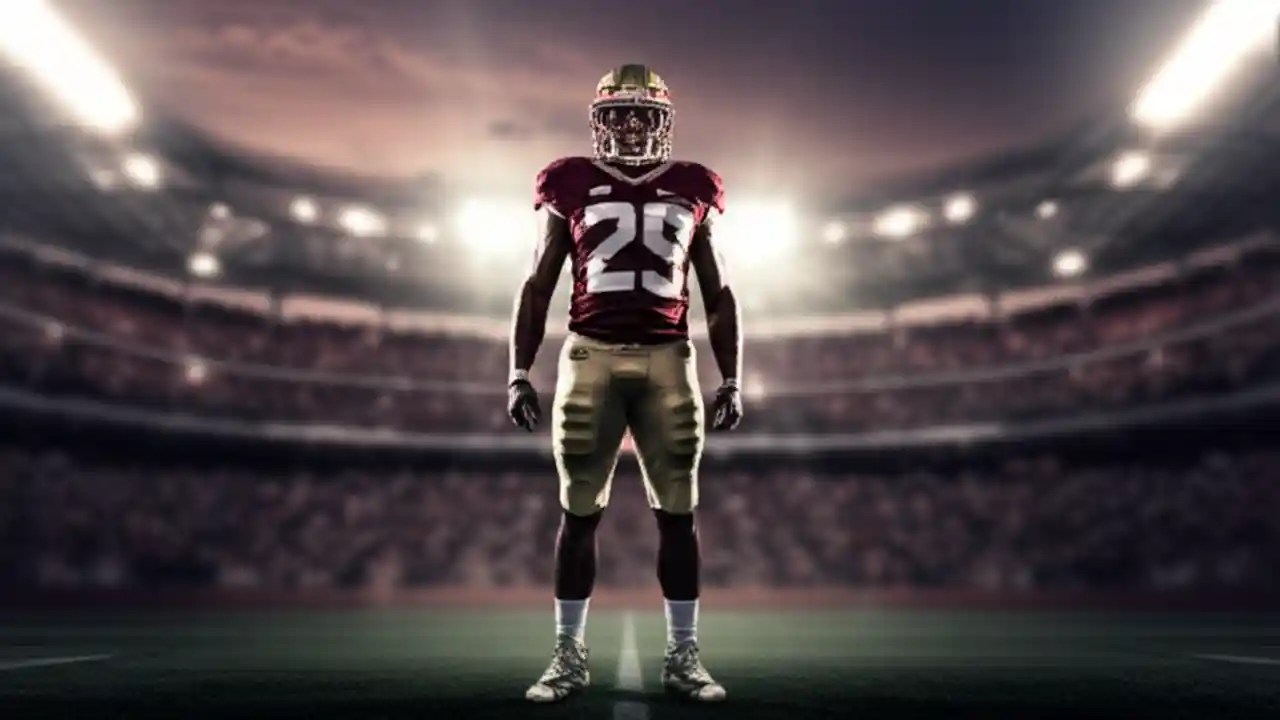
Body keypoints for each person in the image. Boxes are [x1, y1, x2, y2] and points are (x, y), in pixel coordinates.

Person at [507, 64, 744, 703]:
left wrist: (731, 378)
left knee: (679, 512)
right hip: (591, 356)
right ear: (599, 122)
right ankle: (566, 655)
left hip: (671, 357)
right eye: (620, 115)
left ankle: (683, 655)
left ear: (664, 124)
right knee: (578, 509)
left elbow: (718, 292)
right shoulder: (568, 182)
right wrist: (518, 372)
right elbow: (538, 284)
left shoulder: (695, 186)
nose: (632, 126)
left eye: (644, 115)